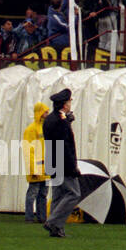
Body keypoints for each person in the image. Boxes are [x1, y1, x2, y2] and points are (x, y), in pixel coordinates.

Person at [42, 89, 80, 238]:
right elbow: (64, 145)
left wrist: (67, 121)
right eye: (69, 101)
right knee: (74, 193)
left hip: (53, 161)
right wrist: (72, 166)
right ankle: (53, 222)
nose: (70, 104)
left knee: (58, 195)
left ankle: (56, 229)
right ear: (64, 105)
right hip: (62, 163)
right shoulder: (60, 121)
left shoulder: (51, 119)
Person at [23, 101, 51, 224]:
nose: (47, 114)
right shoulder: (31, 129)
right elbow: (28, 150)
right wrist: (33, 169)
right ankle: (29, 217)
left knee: (43, 194)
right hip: (36, 166)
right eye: (45, 111)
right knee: (32, 193)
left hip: (46, 166)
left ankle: (42, 217)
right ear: (40, 112)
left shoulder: (46, 127)